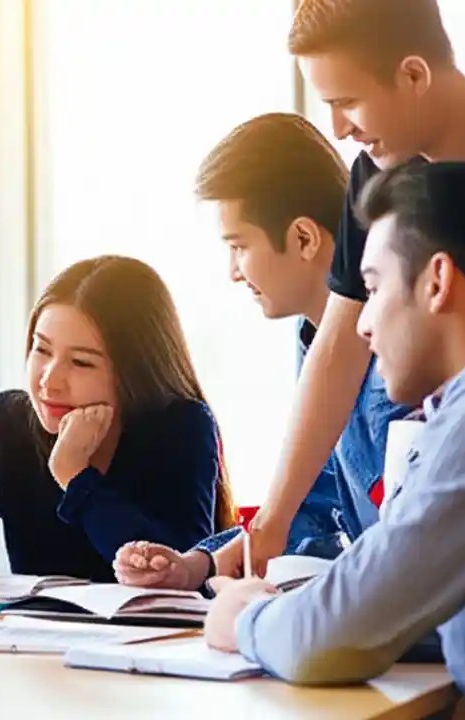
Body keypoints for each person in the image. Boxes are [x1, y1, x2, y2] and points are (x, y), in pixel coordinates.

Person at [205, 161, 465, 718]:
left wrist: (245, 619)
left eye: (372, 286)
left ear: (437, 281)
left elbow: (330, 637)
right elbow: (408, 600)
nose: (361, 324)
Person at [233, 0, 465, 576]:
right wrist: (270, 526)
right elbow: (336, 350)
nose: (339, 129)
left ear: (413, 75)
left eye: (346, 102)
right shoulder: (374, 177)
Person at [0, 256, 237, 589]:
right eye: (41, 349)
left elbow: (168, 574)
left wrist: (76, 478)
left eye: (81, 362)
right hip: (36, 651)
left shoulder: (181, 428)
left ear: (133, 372)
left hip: (153, 654)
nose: (49, 379)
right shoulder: (6, 423)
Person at [116, 114, 363, 589]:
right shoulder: (311, 337)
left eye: (239, 246)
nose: (234, 271)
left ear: (304, 238)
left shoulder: (393, 348)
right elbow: (313, 503)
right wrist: (200, 565)